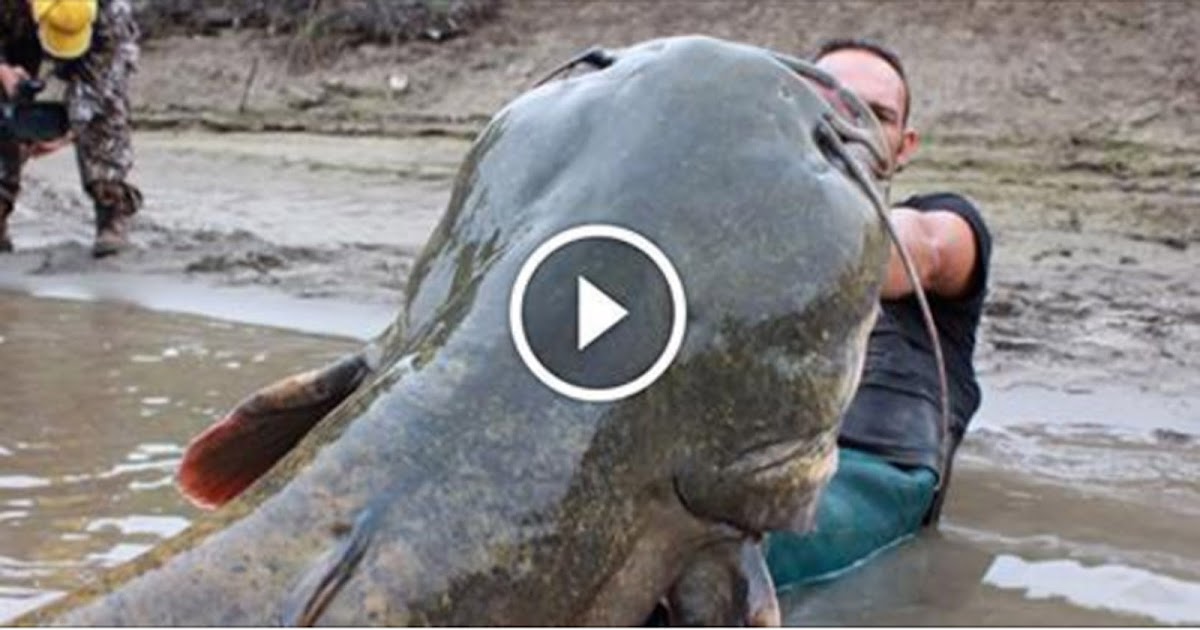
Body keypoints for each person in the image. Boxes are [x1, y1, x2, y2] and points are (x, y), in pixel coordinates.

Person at [764, 39, 993, 590]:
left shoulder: (950, 223)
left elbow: (922, 249)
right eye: (831, 104)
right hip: (742, 467)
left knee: (708, 558)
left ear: (902, 145)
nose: (850, 126)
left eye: (877, 115)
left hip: (874, 473)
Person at [0, 0, 142, 257]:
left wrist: (68, 133)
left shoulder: (111, 13)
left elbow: (102, 90)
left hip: (96, 42)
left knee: (104, 117)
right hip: (13, 28)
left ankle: (111, 211)